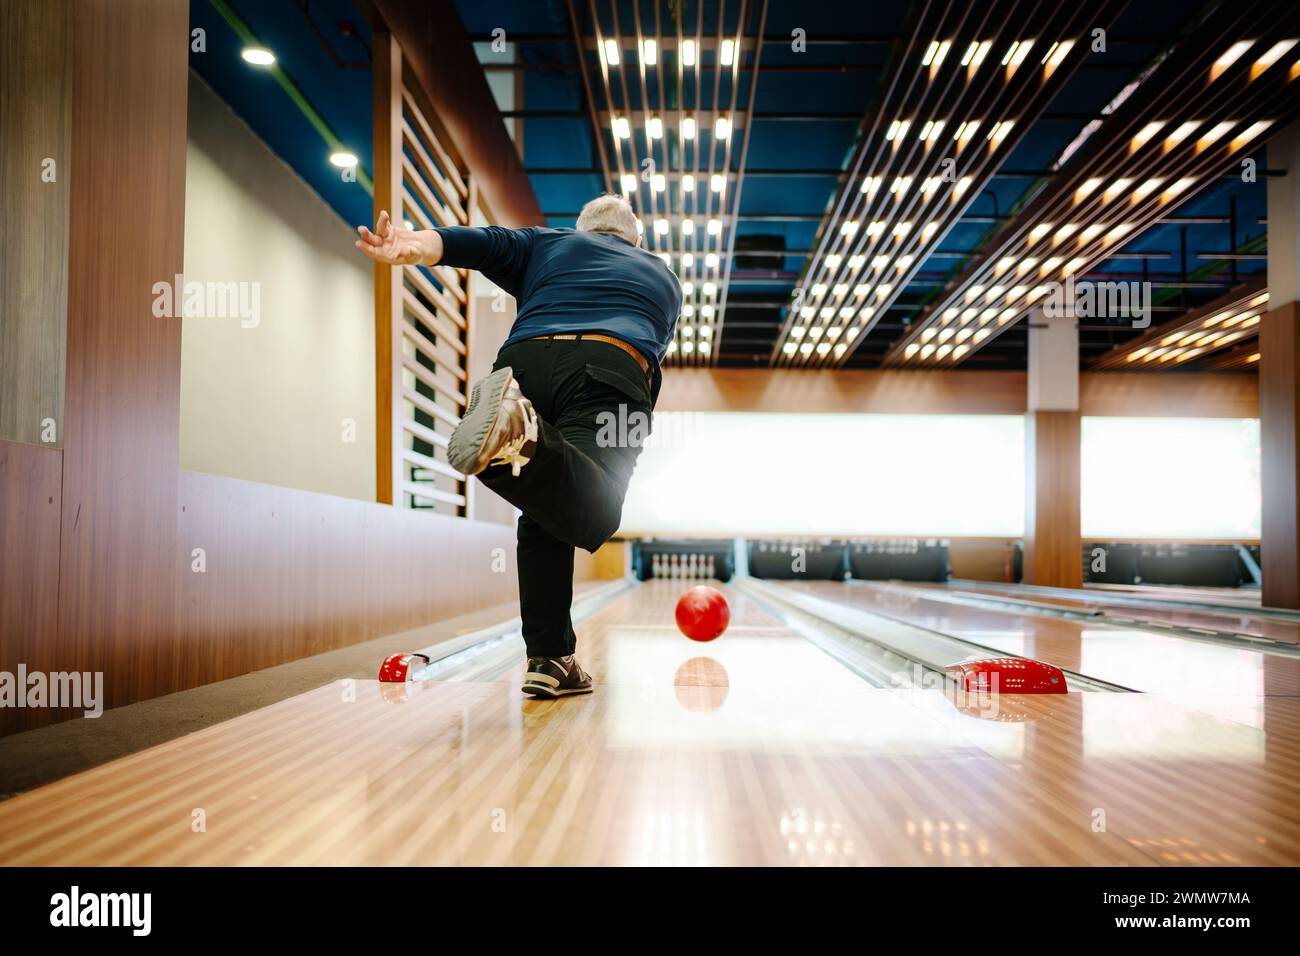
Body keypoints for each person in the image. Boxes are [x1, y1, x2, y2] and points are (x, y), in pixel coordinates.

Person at [355, 194, 681, 698]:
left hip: (523, 363)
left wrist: (411, 245)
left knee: (544, 506)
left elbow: (478, 243)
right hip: (612, 365)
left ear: (581, 228)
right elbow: (652, 356)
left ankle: (550, 658)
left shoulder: (546, 244)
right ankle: (523, 434)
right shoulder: (661, 274)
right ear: (634, 240)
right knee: (595, 516)